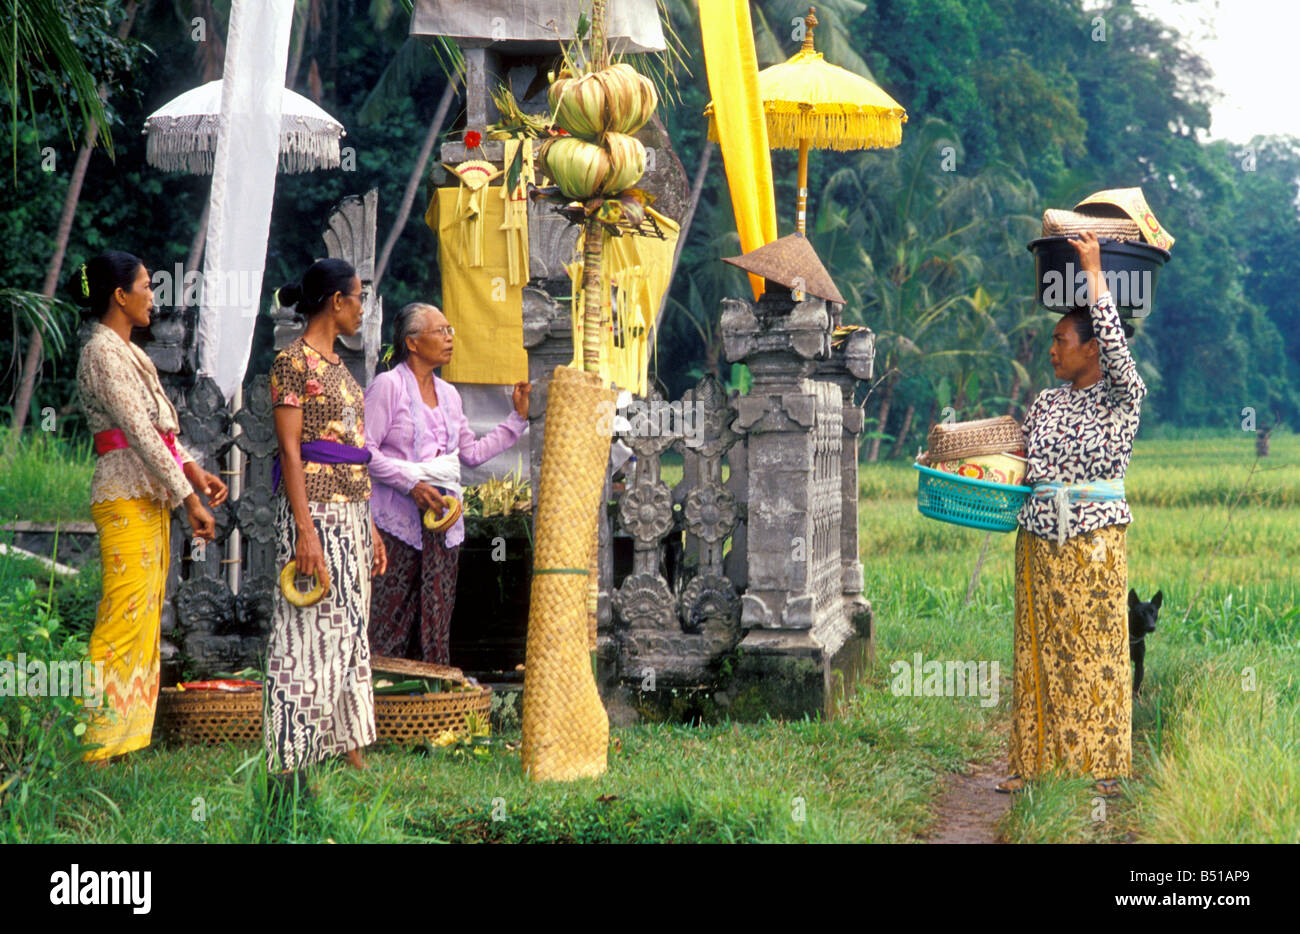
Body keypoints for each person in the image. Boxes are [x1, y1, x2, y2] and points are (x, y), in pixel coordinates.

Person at [1000, 231, 1145, 797]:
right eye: (1052, 340)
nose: (1053, 350)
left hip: (1094, 543)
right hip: (1038, 541)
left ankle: (1101, 768)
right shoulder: (1046, 401)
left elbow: (1117, 345)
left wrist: (1091, 268)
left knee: (1096, 654)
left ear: (1093, 349)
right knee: (1039, 652)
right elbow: (1022, 464)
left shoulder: (1122, 396)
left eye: (1062, 340)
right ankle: (1035, 767)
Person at [73, 251, 226, 763]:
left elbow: (157, 430)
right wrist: (189, 499)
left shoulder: (125, 350)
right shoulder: (102, 351)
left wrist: (193, 472)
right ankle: (94, 744)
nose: (152, 295)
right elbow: (136, 431)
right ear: (120, 295)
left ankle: (124, 741)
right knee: (124, 616)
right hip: (124, 493)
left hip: (146, 493)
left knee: (143, 618)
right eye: (145, 285)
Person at [265, 258, 387, 791]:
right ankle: (290, 751)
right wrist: (305, 530)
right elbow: (291, 453)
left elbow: (354, 451)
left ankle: (351, 746)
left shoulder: (339, 367)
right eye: (359, 297)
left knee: (352, 629)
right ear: (336, 301)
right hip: (313, 508)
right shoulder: (292, 363)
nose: (363, 307)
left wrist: (373, 527)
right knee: (309, 631)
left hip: (353, 508)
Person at [364, 303, 529, 665]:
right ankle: (383, 699)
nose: (449, 337)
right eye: (440, 331)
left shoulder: (450, 395)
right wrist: (412, 485)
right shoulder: (388, 387)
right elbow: (363, 450)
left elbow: (468, 454)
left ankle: (430, 702)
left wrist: (517, 418)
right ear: (412, 343)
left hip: (443, 524)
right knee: (390, 615)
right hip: (396, 525)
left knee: (435, 617)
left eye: (450, 330)